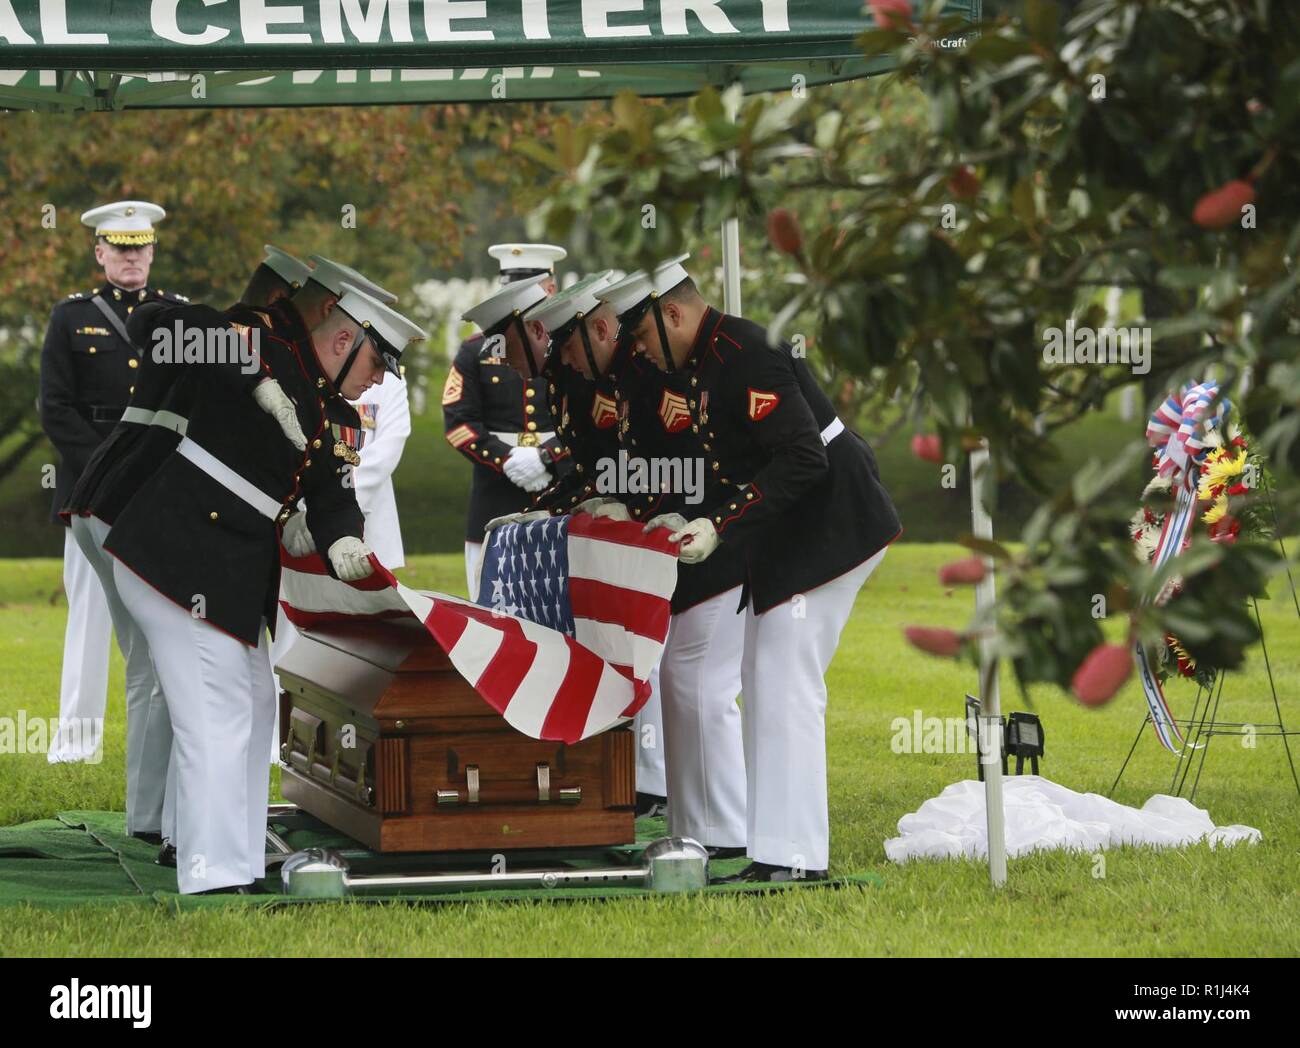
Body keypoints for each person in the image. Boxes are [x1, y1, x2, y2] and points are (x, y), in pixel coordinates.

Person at [106, 282, 424, 894]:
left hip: (225, 570)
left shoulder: (333, 410)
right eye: (377, 362)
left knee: (250, 707)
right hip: (177, 555)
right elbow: (153, 323)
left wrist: (342, 541)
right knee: (216, 710)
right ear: (342, 338)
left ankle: (239, 856)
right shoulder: (265, 347)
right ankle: (211, 871)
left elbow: (335, 497)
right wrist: (253, 377)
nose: (380, 380)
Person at [620, 257, 902, 882]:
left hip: (833, 523)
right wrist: (693, 516)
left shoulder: (744, 349)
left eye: (641, 336)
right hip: (795, 530)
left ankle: (793, 858)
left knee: (783, 682)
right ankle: (777, 850)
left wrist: (720, 525)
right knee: (766, 674)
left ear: (672, 314)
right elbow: (739, 466)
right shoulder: (705, 359)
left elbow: (804, 458)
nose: (639, 353)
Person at [60, 244, 313, 843]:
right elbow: (157, 319)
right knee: (166, 667)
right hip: (122, 507)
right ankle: (159, 821)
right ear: (280, 302)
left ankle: (154, 817)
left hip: (113, 504)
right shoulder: (223, 333)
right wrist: (257, 374)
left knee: (155, 666)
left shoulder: (238, 340)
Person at [39, 200, 188, 764]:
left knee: (164, 612)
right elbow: (55, 408)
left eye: (141, 248)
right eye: (121, 249)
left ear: (153, 252)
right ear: (100, 253)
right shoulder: (69, 317)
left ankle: (170, 730)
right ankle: (76, 743)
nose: (132, 258)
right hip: (88, 487)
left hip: (158, 484)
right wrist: (108, 464)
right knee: (89, 611)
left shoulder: (178, 316)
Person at [444, 244, 570, 595]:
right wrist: (507, 458)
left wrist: (550, 457)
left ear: (549, 290)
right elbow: (458, 424)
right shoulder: (475, 351)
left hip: (560, 491)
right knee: (492, 604)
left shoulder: (570, 348)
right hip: (494, 495)